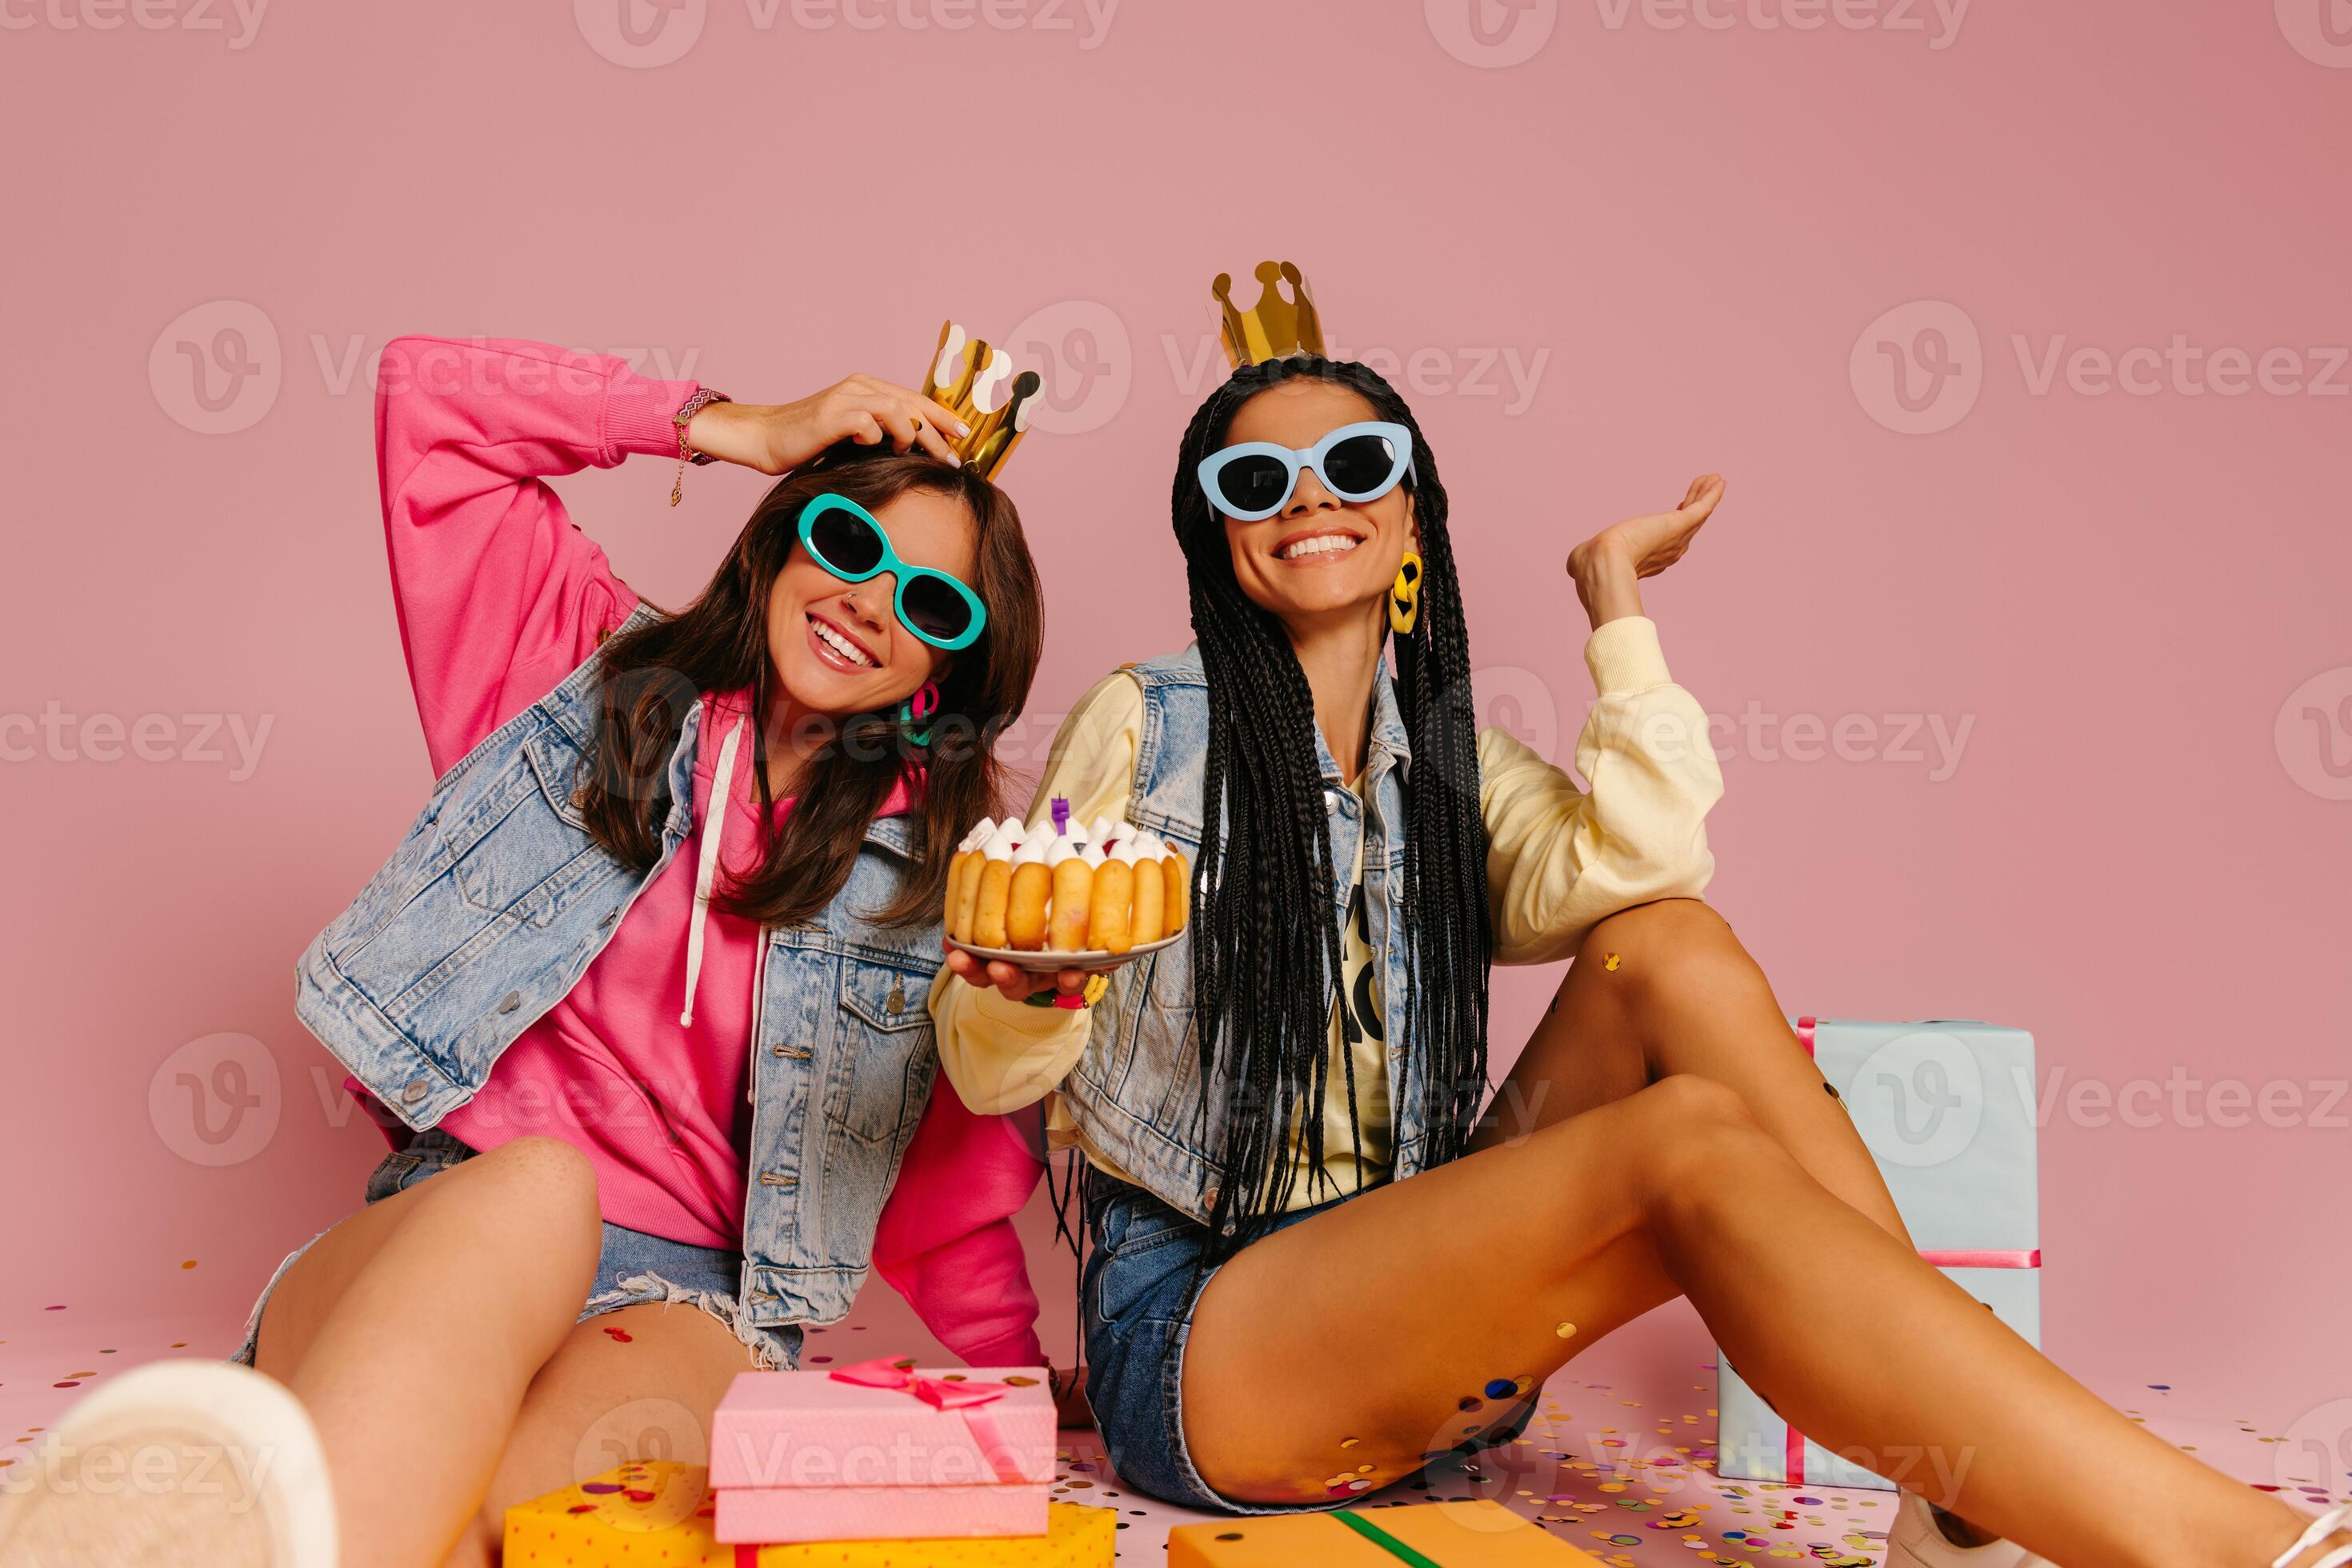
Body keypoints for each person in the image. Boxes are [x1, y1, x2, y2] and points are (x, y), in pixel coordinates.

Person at [932, 276, 2352, 1568]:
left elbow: (1650, 860)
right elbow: (994, 1069)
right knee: (1686, 1145)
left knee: (1665, 946)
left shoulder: (1455, 772)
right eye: (1259, 480)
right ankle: (2210, 1545)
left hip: (1431, 1302)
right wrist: (1027, 988)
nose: (1312, 498)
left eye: (1356, 465)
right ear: (1218, 535)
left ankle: (1963, 1488)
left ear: (1412, 518)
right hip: (1210, 1345)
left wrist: (1611, 604)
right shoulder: (1147, 726)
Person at [0, 334, 1057, 1568]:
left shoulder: (938, 873)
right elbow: (429, 406)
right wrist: (735, 427)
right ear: (784, 540)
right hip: (447, 1232)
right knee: (539, 1186)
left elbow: (943, 1181)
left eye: (929, 601)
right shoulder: (581, 673)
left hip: (688, 1300)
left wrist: (1022, 1388)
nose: (870, 601)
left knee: (502, 1525)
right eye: (846, 541)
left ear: (950, 663)